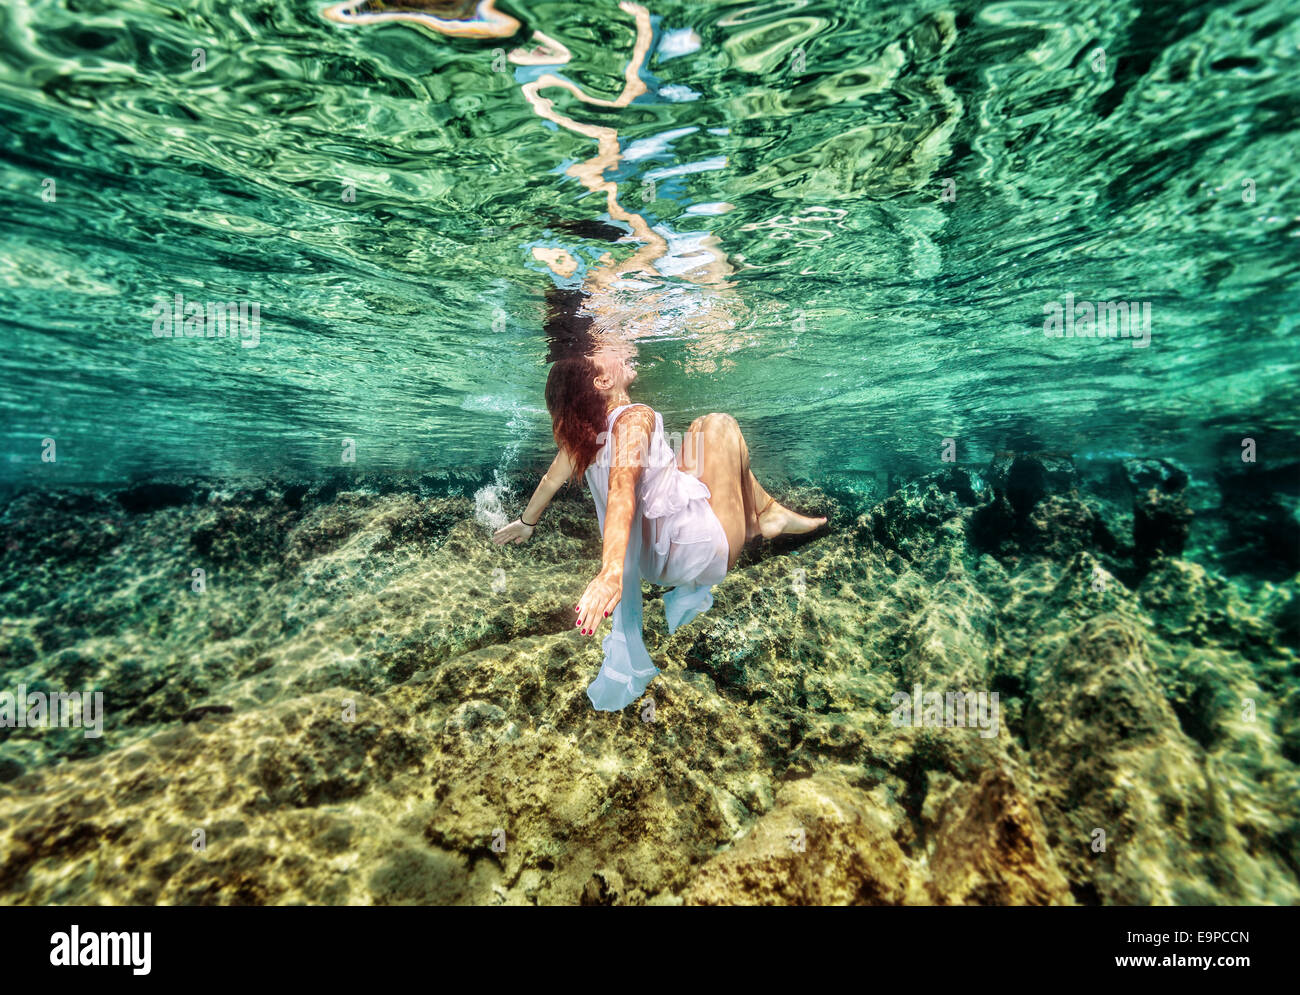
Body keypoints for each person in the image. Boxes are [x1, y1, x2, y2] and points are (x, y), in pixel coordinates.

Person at [492, 345, 826, 710]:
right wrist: (611, 572)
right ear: (603, 380)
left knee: (698, 432)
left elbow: (549, 481)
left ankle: (768, 512)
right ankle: (756, 520)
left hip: (653, 560)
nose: (620, 349)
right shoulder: (636, 418)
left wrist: (527, 523)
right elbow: (622, 488)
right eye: (607, 352)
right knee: (719, 425)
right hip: (701, 551)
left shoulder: (585, 437)